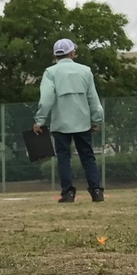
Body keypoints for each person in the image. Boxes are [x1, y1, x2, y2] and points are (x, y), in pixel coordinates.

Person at [33, 38, 105, 203]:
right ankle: (96, 191)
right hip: (82, 121)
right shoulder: (85, 71)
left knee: (63, 158)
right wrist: (96, 119)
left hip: (61, 123)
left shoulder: (50, 72)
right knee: (88, 156)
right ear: (72, 52)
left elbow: (46, 99)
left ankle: (68, 193)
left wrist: (40, 121)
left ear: (55, 55)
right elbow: (93, 98)